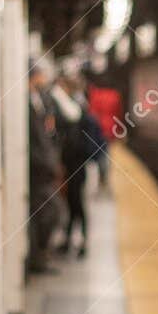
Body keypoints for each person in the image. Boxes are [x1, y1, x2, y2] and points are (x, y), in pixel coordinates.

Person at [53, 76, 105, 258]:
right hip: (77, 166)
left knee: (77, 205)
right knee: (73, 205)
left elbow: (77, 143)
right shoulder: (81, 111)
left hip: (78, 167)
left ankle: (80, 241)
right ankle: (72, 240)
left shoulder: (76, 113)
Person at [26, 63, 63, 275]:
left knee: (50, 212)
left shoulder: (40, 100)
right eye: (40, 75)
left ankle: (41, 255)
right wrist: (45, 163)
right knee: (50, 212)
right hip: (38, 170)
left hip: (45, 168)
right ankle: (38, 257)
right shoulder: (26, 103)